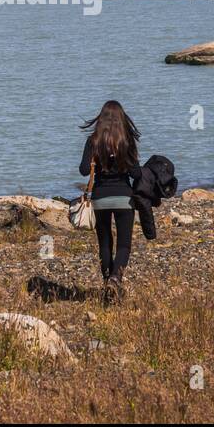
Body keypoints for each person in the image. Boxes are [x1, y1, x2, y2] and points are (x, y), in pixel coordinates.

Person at [79, 100, 142, 301]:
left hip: (100, 198)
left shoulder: (94, 140)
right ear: (122, 119)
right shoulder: (127, 139)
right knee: (124, 245)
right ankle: (116, 278)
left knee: (105, 243)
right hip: (124, 198)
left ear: (101, 118)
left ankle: (108, 281)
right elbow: (136, 173)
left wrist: (94, 162)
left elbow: (82, 171)